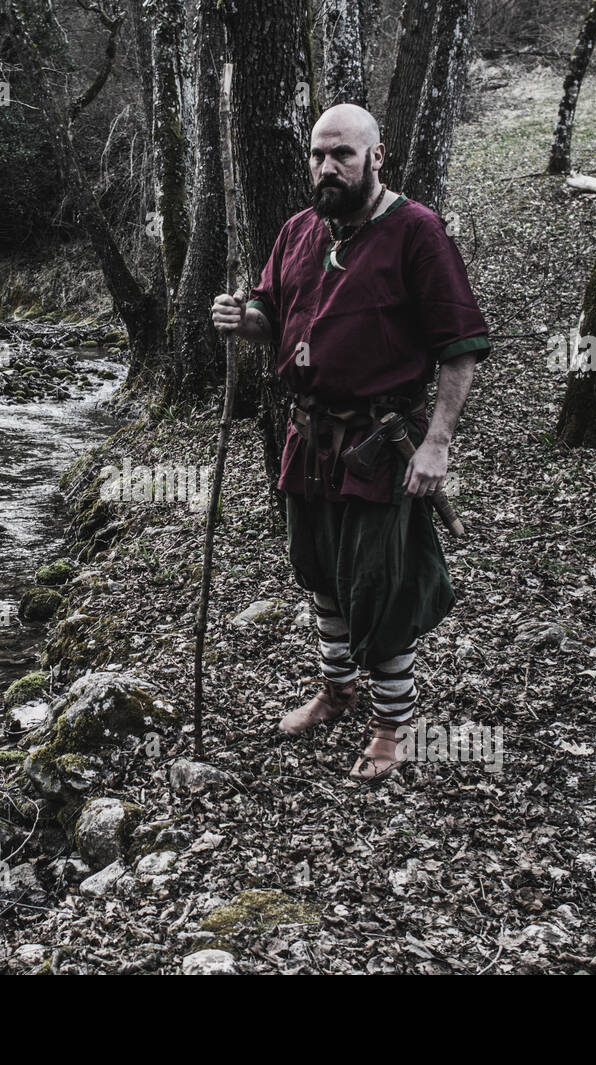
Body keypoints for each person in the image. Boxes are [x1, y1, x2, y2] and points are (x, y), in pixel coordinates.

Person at [210, 103, 490, 785]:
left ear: (376, 156)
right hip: (309, 438)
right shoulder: (300, 231)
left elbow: (460, 350)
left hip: (380, 444)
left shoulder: (417, 233)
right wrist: (240, 318)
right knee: (321, 575)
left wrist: (439, 444)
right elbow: (270, 313)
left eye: (342, 153)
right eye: (317, 154)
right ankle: (337, 690)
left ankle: (393, 726)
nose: (327, 166)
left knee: (383, 587)